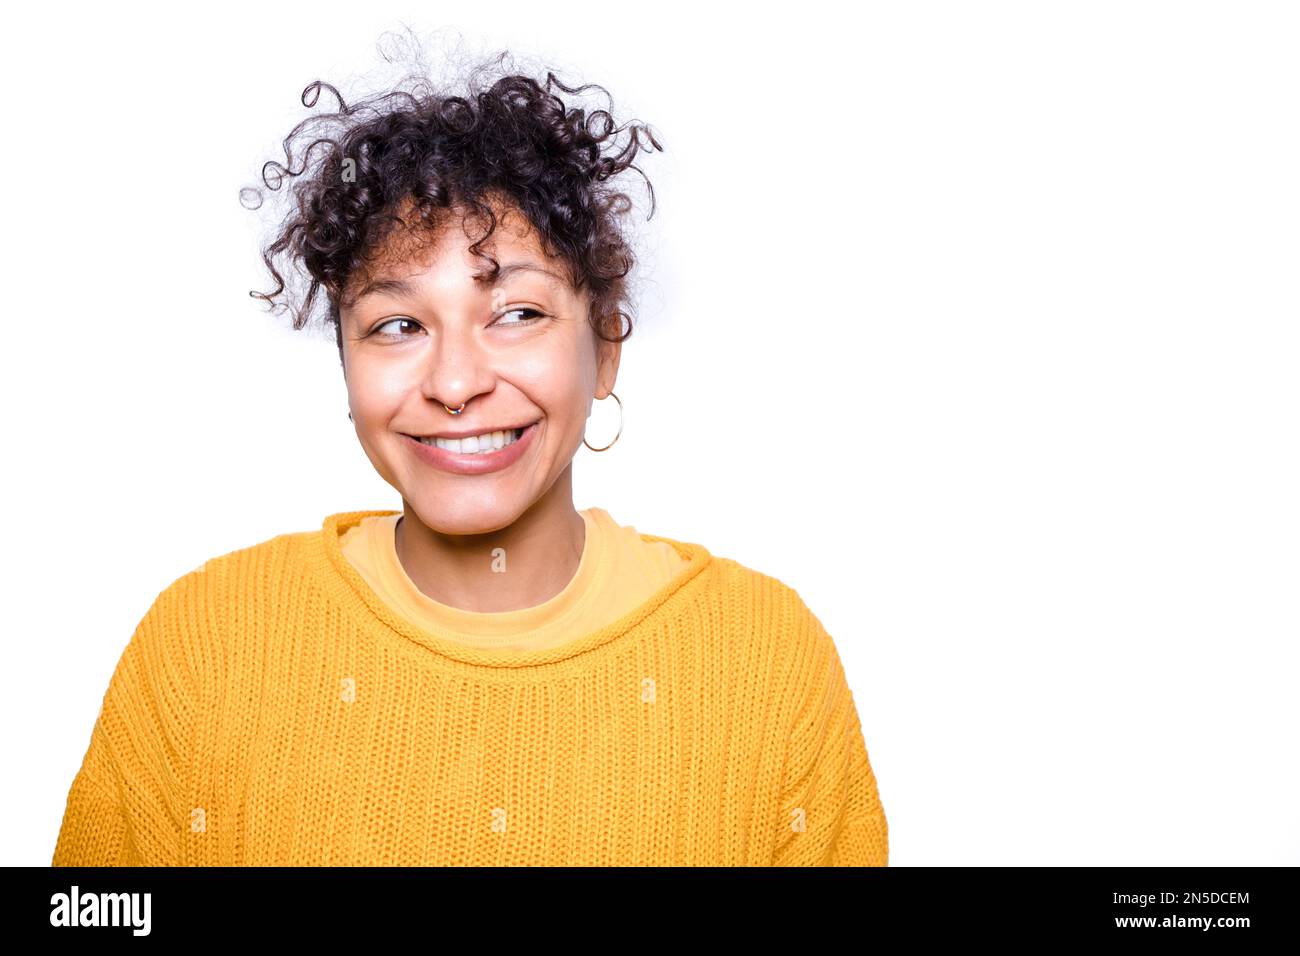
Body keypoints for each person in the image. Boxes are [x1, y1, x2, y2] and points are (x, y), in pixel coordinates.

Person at [51, 49, 888, 866]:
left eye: (518, 313)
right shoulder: (206, 646)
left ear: (607, 345)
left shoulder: (765, 663)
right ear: (345, 364)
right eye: (398, 326)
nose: (455, 382)